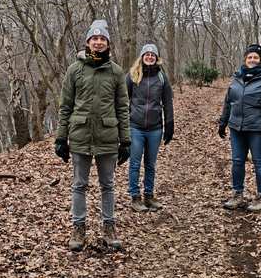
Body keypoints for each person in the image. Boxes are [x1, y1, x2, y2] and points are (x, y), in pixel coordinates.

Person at [54, 19, 131, 251]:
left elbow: (122, 107)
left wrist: (125, 140)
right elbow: (65, 106)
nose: (98, 42)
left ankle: (109, 228)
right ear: (88, 42)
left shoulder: (116, 72)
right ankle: (78, 228)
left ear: (108, 43)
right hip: (80, 135)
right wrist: (61, 137)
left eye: (102, 39)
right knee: (79, 185)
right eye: (94, 38)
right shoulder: (74, 70)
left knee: (108, 185)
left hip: (108, 136)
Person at [218, 43, 261, 211]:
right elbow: (228, 102)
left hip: (257, 129)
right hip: (236, 128)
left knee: (259, 162)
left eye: (255, 57)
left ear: (260, 59)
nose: (252, 59)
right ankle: (237, 194)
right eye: (249, 57)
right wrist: (223, 122)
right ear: (245, 59)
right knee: (237, 161)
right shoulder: (237, 78)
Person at [125, 43, 174, 212]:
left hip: (155, 128)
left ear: (156, 58)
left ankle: (149, 195)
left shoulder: (161, 77)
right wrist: (123, 124)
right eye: (147, 54)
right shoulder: (132, 75)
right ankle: (135, 197)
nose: (150, 57)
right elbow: (123, 101)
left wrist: (169, 124)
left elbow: (167, 101)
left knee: (151, 164)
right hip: (135, 126)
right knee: (135, 163)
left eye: (153, 55)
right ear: (142, 56)